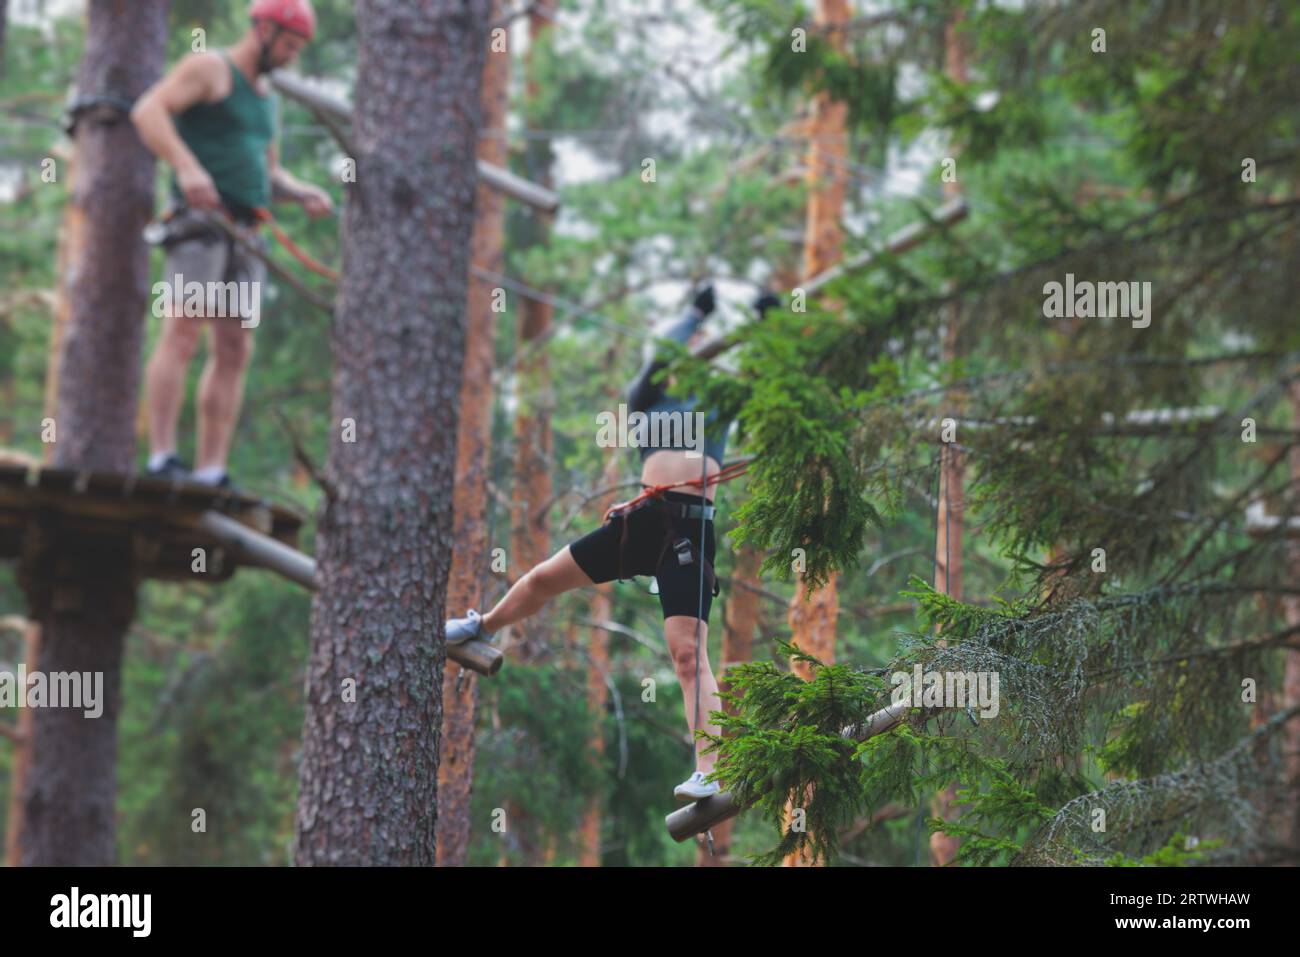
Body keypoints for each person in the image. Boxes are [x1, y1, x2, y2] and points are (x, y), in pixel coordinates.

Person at [446, 283, 780, 802]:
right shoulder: (647, 398)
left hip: (689, 531)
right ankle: (481, 625)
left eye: (704, 344)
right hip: (640, 523)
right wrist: (695, 314)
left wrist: (768, 324)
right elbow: (660, 357)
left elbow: (767, 375)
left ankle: (709, 770)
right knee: (542, 578)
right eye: (693, 344)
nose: (697, 349)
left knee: (688, 655)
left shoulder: (718, 402)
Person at [130, 0, 334, 488]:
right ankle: (162, 457)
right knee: (182, 331)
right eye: (288, 45)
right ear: (263, 30)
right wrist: (186, 167)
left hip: (247, 236)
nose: (291, 56)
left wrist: (301, 191)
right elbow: (147, 111)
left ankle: (211, 469)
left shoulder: (266, 99)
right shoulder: (210, 68)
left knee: (235, 347)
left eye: (298, 49)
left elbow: (268, 171)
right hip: (200, 225)